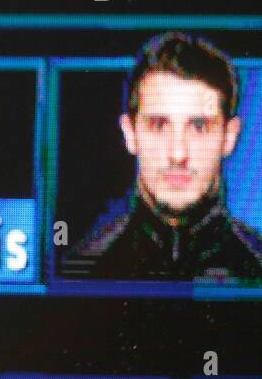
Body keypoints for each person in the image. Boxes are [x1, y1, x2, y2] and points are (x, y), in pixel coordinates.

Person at [64, 32, 262, 281]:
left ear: (230, 137)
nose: (178, 154)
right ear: (130, 134)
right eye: (159, 125)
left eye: (199, 127)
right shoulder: (80, 271)